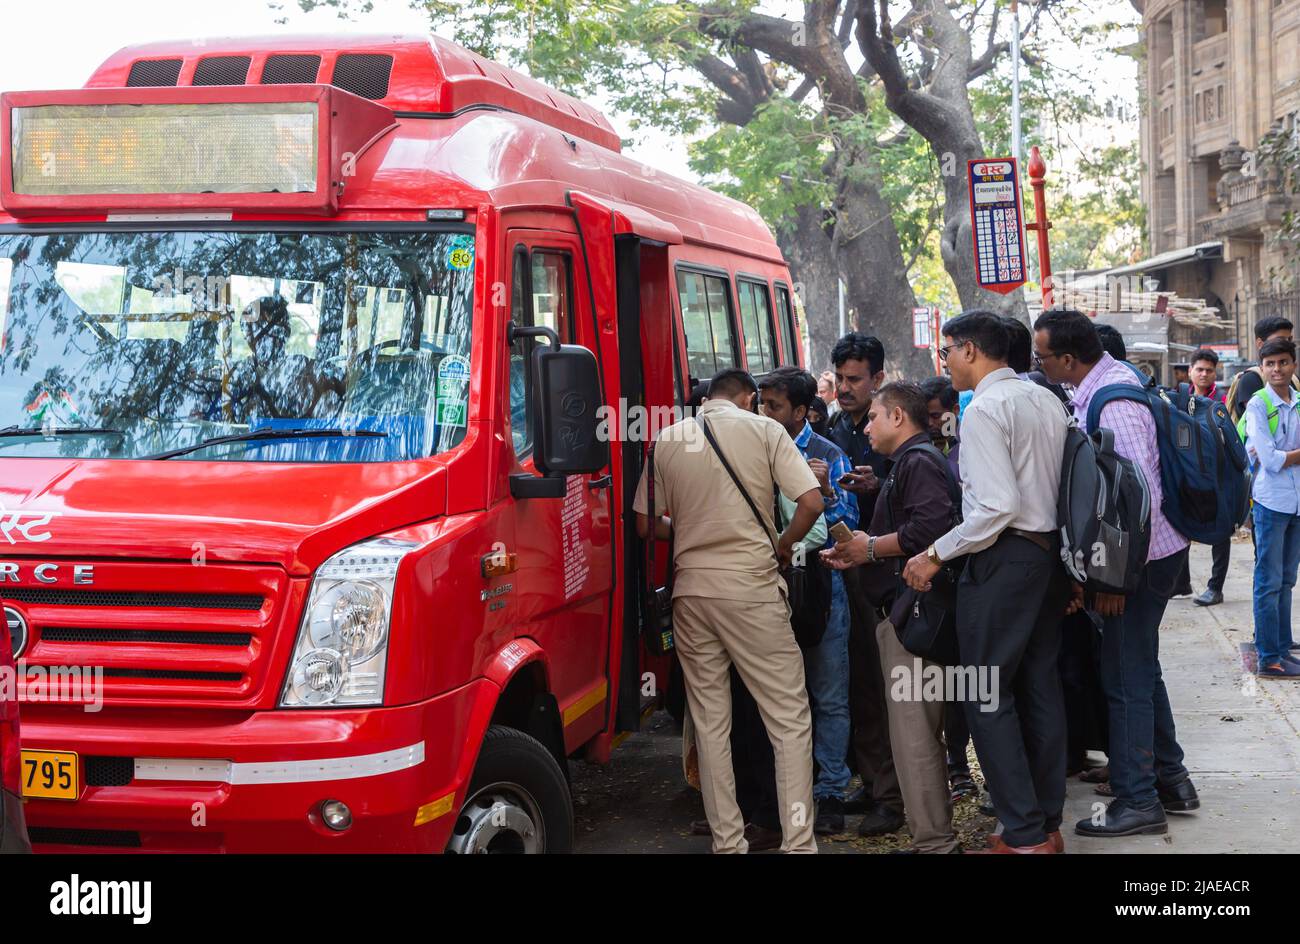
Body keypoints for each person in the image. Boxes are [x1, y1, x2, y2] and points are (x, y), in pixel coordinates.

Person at [635, 367, 824, 853]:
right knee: (788, 720)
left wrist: (692, 529)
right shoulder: (764, 430)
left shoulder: (667, 439)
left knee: (710, 721)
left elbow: (644, 524)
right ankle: (799, 842)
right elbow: (811, 502)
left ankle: (728, 843)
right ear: (747, 397)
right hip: (752, 589)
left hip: (692, 593)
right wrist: (784, 544)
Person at [903, 310, 1071, 854]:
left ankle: (1021, 832)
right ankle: (1044, 826)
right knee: (1039, 689)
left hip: (1004, 560)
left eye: (947, 350)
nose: (944, 360)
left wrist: (934, 552)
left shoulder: (985, 409)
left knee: (987, 693)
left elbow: (995, 507)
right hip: (1045, 558)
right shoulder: (1045, 399)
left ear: (971, 350)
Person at [1032, 309, 1199, 837]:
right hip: (1145, 557)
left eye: (1042, 356)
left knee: (1124, 677)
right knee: (1140, 668)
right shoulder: (1104, 387)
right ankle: (1171, 780)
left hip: (1139, 562)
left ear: (1067, 358)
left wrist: (1112, 581)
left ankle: (1138, 801)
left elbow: (1133, 503)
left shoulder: (1115, 402)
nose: (1036, 363)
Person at [823, 382, 961, 853]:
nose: (867, 426)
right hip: (904, 614)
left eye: (876, 417)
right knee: (913, 735)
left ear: (899, 417)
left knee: (915, 738)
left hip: (914, 618)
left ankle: (936, 843)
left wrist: (870, 546)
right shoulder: (909, 464)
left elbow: (932, 529)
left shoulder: (918, 461)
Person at [757, 366, 858, 834]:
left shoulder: (826, 454)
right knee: (777, 694)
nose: (765, 412)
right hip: (765, 581)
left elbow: (849, 528)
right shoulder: (752, 447)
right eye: (762, 403)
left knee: (828, 691)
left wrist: (826, 491)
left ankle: (831, 791)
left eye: (774, 406)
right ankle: (779, 794)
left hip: (819, 583)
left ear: (801, 411)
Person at [827, 332, 905, 835]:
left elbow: (919, 503)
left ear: (878, 379)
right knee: (856, 684)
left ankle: (895, 797)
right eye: (838, 379)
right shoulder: (831, 427)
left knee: (887, 689)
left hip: (889, 573)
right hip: (843, 570)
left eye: (854, 379)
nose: (844, 388)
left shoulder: (895, 429)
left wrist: (878, 485)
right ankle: (871, 779)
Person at [1243, 337, 1300, 678]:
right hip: (1270, 501)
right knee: (1268, 580)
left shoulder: (1298, 402)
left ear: (1293, 365)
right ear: (1262, 368)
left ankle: (1282, 648)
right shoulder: (1257, 404)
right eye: (1270, 364)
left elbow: (1281, 458)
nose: (1277, 369)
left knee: (1287, 579)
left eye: (1283, 362)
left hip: (1296, 504)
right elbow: (1269, 459)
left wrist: (1287, 458)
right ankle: (1268, 657)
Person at [1185, 347, 1232, 607]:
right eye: (1199, 369)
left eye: (1209, 370)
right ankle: (1180, 582)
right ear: (1190, 371)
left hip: (1217, 475)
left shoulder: (1221, 402)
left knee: (1219, 530)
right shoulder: (1179, 398)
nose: (1203, 374)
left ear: (1215, 373)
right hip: (1187, 474)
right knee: (1180, 524)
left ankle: (1216, 587)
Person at [1229, 316, 1296, 423]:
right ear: (1260, 344)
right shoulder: (1251, 379)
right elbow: (1257, 425)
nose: (1288, 344)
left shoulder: (1293, 379)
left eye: (1289, 339)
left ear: (1294, 366)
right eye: (1280, 339)